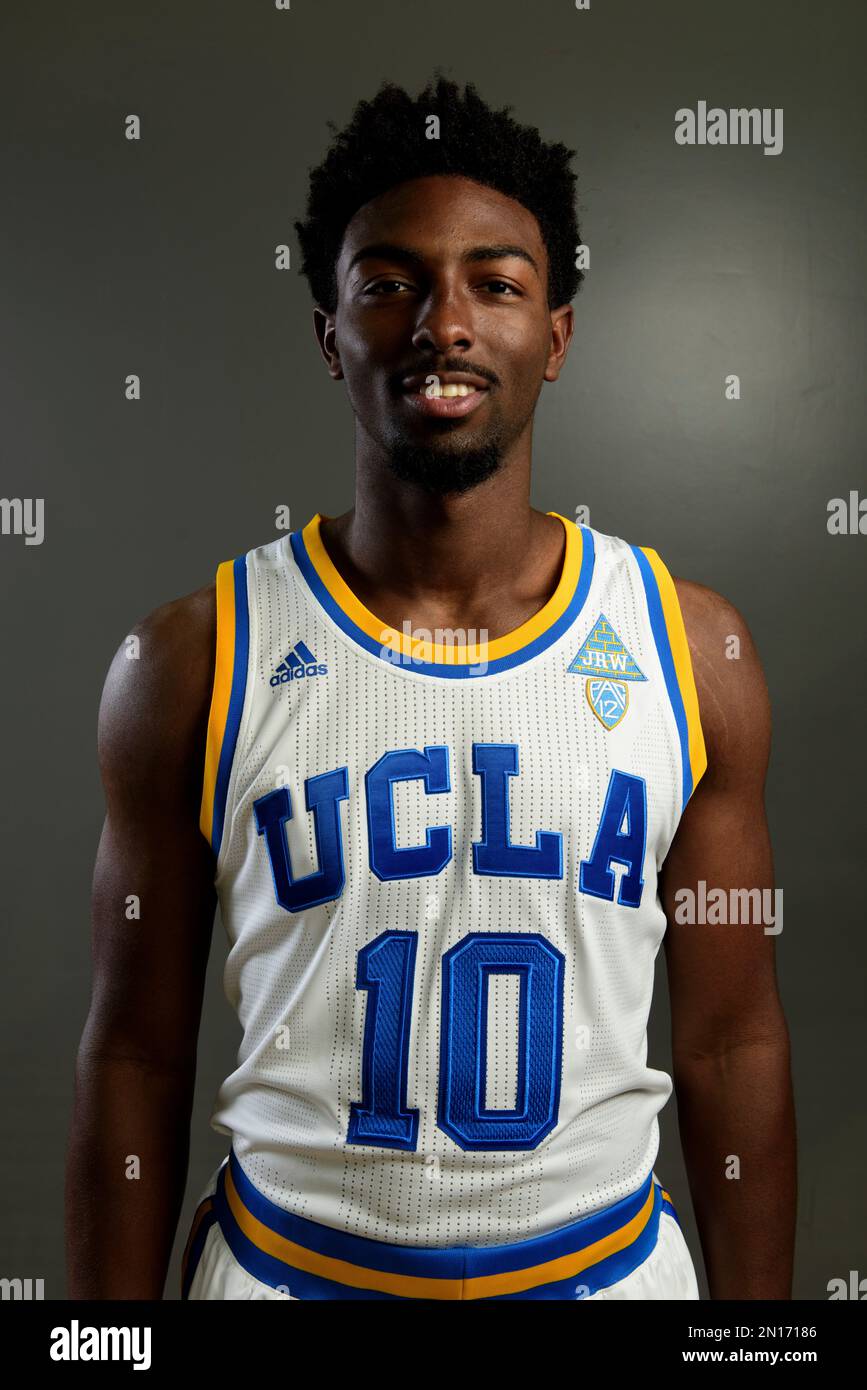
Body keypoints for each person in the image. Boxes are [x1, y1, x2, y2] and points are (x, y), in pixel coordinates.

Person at [66, 77, 795, 1301]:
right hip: (291, 1270)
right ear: (329, 331)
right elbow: (135, 1056)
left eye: (496, 283)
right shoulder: (195, 659)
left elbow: (733, 1040)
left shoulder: (687, 647)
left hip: (604, 1274)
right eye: (389, 282)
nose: (442, 323)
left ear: (554, 336)